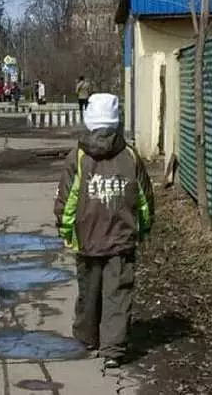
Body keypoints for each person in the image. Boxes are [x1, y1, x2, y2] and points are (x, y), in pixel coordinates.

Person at [53, 93, 154, 369]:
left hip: (88, 235)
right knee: (118, 292)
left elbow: (68, 198)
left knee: (89, 289)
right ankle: (113, 349)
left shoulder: (79, 156)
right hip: (122, 238)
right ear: (116, 121)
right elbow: (143, 198)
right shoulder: (130, 156)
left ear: (89, 121)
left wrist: (65, 227)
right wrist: (143, 228)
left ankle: (88, 337)